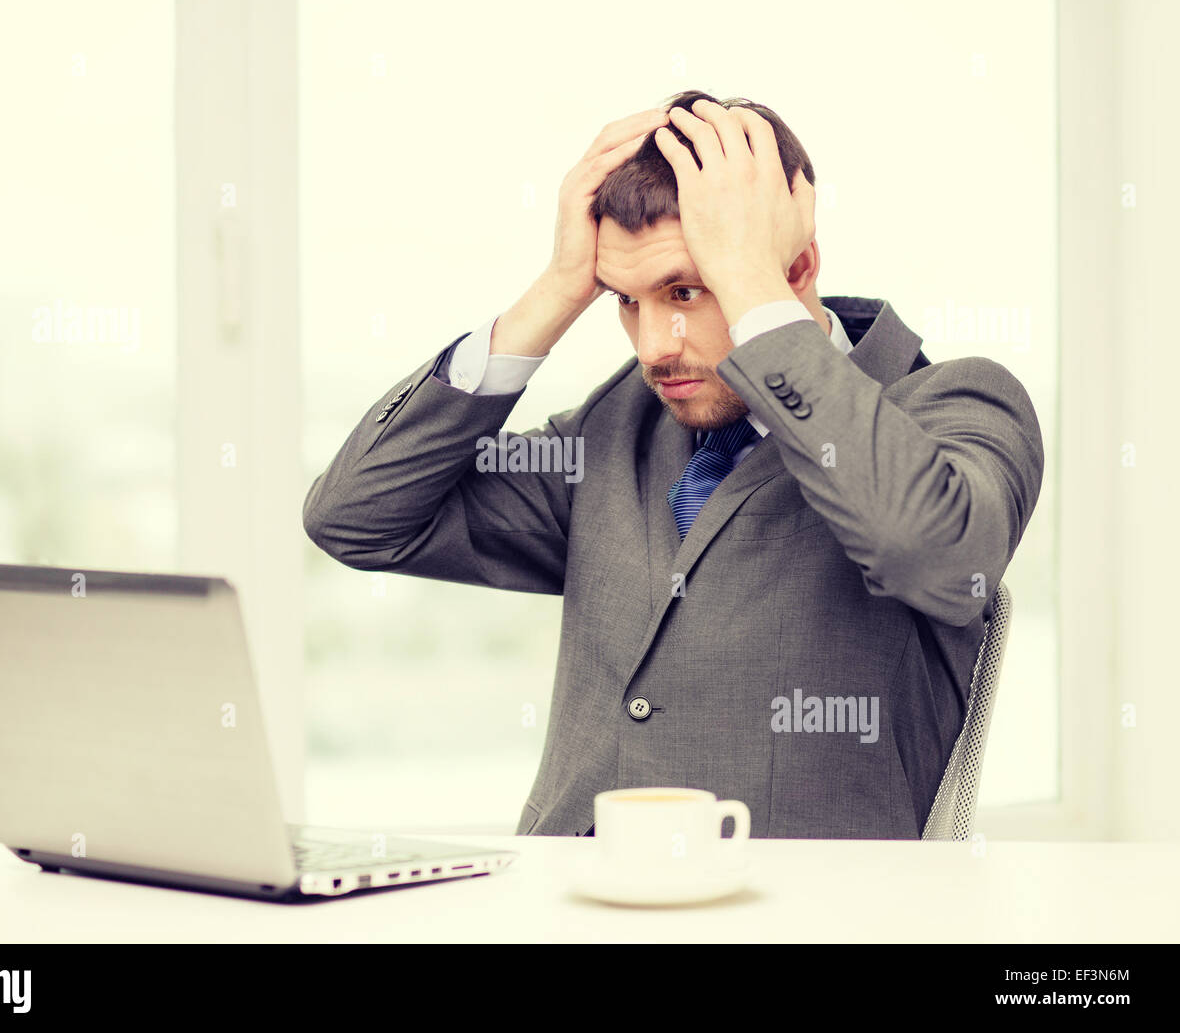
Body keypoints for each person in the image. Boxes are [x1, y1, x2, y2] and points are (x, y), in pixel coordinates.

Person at [303, 89, 1044, 839]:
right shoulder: (620, 423)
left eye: (687, 290)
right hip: (568, 905)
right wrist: (558, 290)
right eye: (627, 299)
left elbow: (932, 551)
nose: (655, 344)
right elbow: (358, 517)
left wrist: (754, 287)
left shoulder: (957, 404)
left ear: (796, 268)